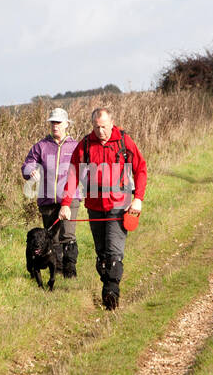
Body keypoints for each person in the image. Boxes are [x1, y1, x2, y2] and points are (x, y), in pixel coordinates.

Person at [58, 107, 147, 310]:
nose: (101, 132)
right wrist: (65, 203)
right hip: (95, 207)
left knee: (114, 253)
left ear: (111, 123)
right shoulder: (86, 144)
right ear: (92, 126)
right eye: (97, 127)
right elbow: (72, 175)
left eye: (104, 127)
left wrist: (138, 198)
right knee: (101, 256)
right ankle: (108, 285)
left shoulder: (124, 142)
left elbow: (141, 169)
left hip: (119, 207)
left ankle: (110, 294)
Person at [21, 108, 80, 277]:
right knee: (51, 238)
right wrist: (30, 170)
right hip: (47, 199)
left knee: (67, 234)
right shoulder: (41, 146)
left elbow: (83, 170)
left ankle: (70, 271)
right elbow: (28, 164)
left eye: (58, 122)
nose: (55, 126)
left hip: (71, 198)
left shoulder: (75, 146)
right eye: (52, 122)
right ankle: (58, 270)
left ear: (67, 124)